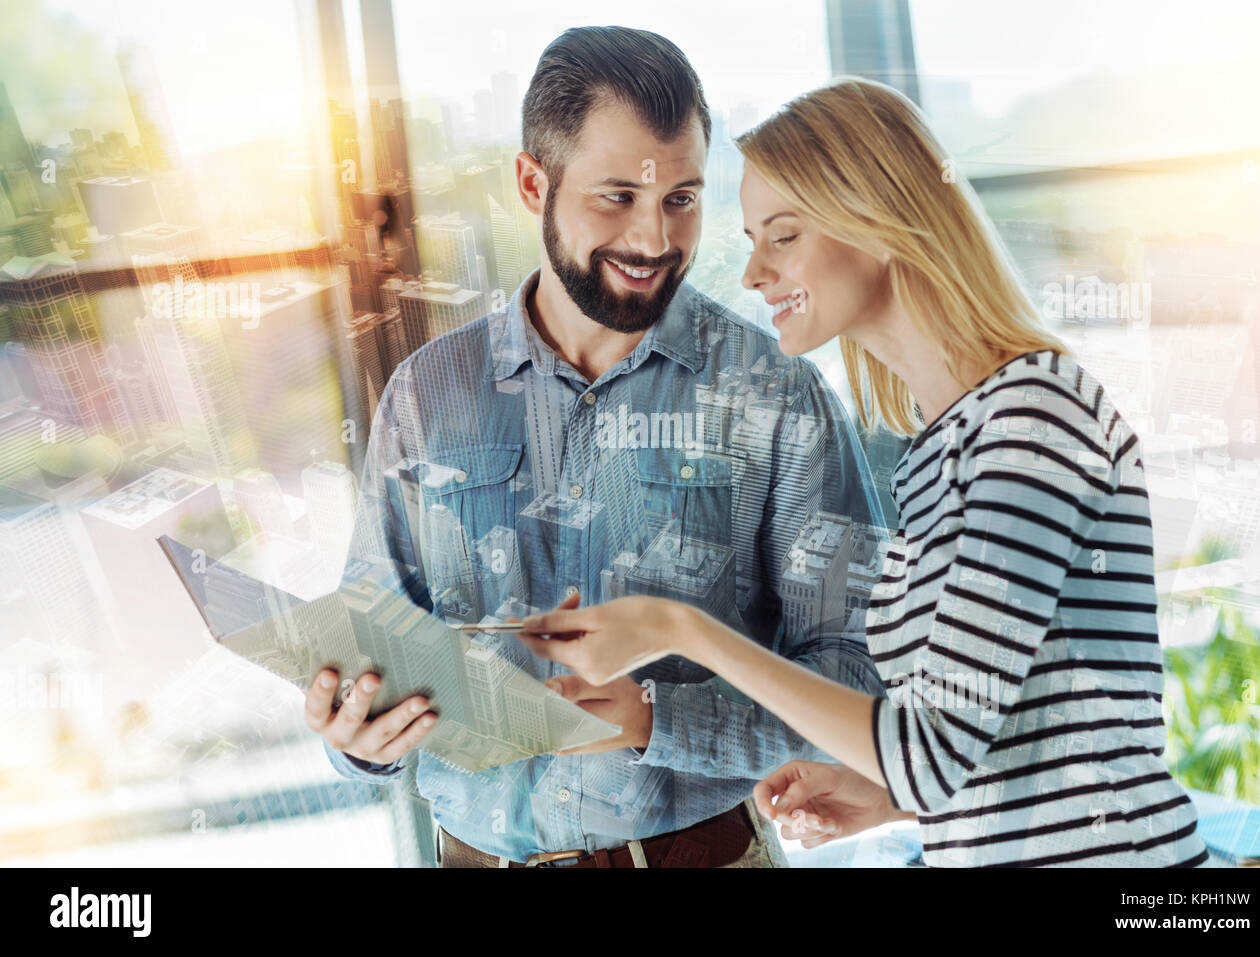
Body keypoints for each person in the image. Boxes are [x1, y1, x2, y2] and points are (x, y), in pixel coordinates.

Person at [515, 77, 1211, 867]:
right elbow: (1001, 718)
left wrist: (682, 629)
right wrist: (886, 794)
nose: (753, 275)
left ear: (877, 222)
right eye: (749, 241)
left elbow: (928, 748)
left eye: (783, 235)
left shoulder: (1032, 420)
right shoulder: (944, 446)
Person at [305, 27, 890, 867]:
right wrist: (355, 733)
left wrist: (660, 719)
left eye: (681, 198)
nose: (654, 239)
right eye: (617, 196)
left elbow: (856, 681)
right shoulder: (427, 395)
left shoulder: (771, 394)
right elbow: (370, 648)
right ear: (531, 183)